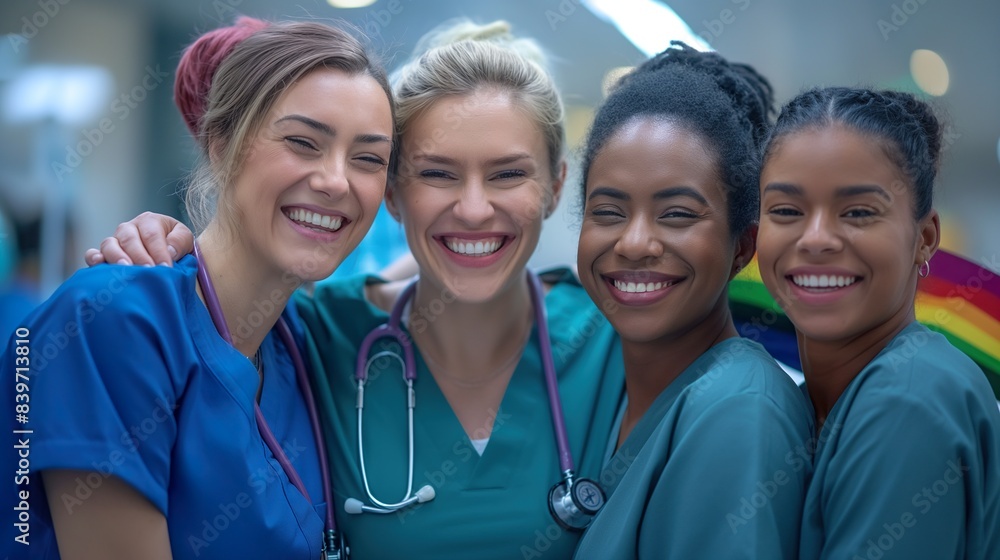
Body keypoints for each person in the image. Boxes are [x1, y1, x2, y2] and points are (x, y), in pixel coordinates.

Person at [83, 20, 624, 559]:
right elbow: (225, 291)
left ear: (555, 187)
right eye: (437, 174)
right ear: (393, 195)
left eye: (508, 174)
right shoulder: (319, 333)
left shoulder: (616, 345)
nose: (475, 208)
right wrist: (169, 245)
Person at [1, 17, 394, 559]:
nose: (336, 180)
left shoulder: (299, 341)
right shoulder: (114, 319)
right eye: (303, 143)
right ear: (219, 142)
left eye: (369, 158)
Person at [571, 43, 813, 559]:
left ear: (742, 247)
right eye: (608, 211)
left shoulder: (739, 413)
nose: (633, 243)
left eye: (677, 214)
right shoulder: (616, 390)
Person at [755, 86, 1000, 559]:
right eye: (786, 210)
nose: (817, 239)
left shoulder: (908, 397)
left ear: (924, 238)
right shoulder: (827, 401)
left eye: (860, 212)